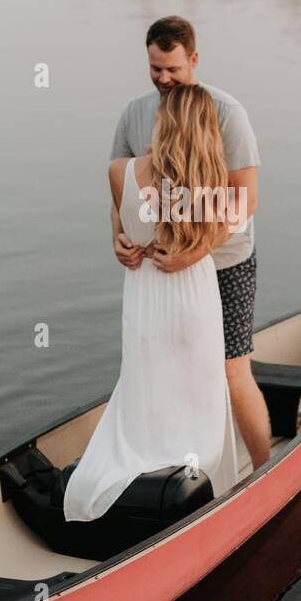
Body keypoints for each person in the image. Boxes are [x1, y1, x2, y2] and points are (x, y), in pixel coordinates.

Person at [62, 83, 239, 523]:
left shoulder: (119, 171)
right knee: (200, 394)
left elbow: (124, 223)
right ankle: (206, 491)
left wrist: (120, 240)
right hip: (194, 295)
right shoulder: (209, 180)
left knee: (147, 385)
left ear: (163, 122)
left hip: (144, 298)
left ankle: (146, 473)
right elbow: (223, 228)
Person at [109, 16, 272, 471]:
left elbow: (247, 198)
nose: (163, 79)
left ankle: (262, 469)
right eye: (155, 68)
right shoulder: (135, 114)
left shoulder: (226, 113)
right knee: (168, 370)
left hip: (223, 262)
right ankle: (180, 469)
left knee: (230, 369)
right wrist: (118, 239)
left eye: (173, 69)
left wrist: (198, 252)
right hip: (162, 269)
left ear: (193, 60)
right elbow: (120, 189)